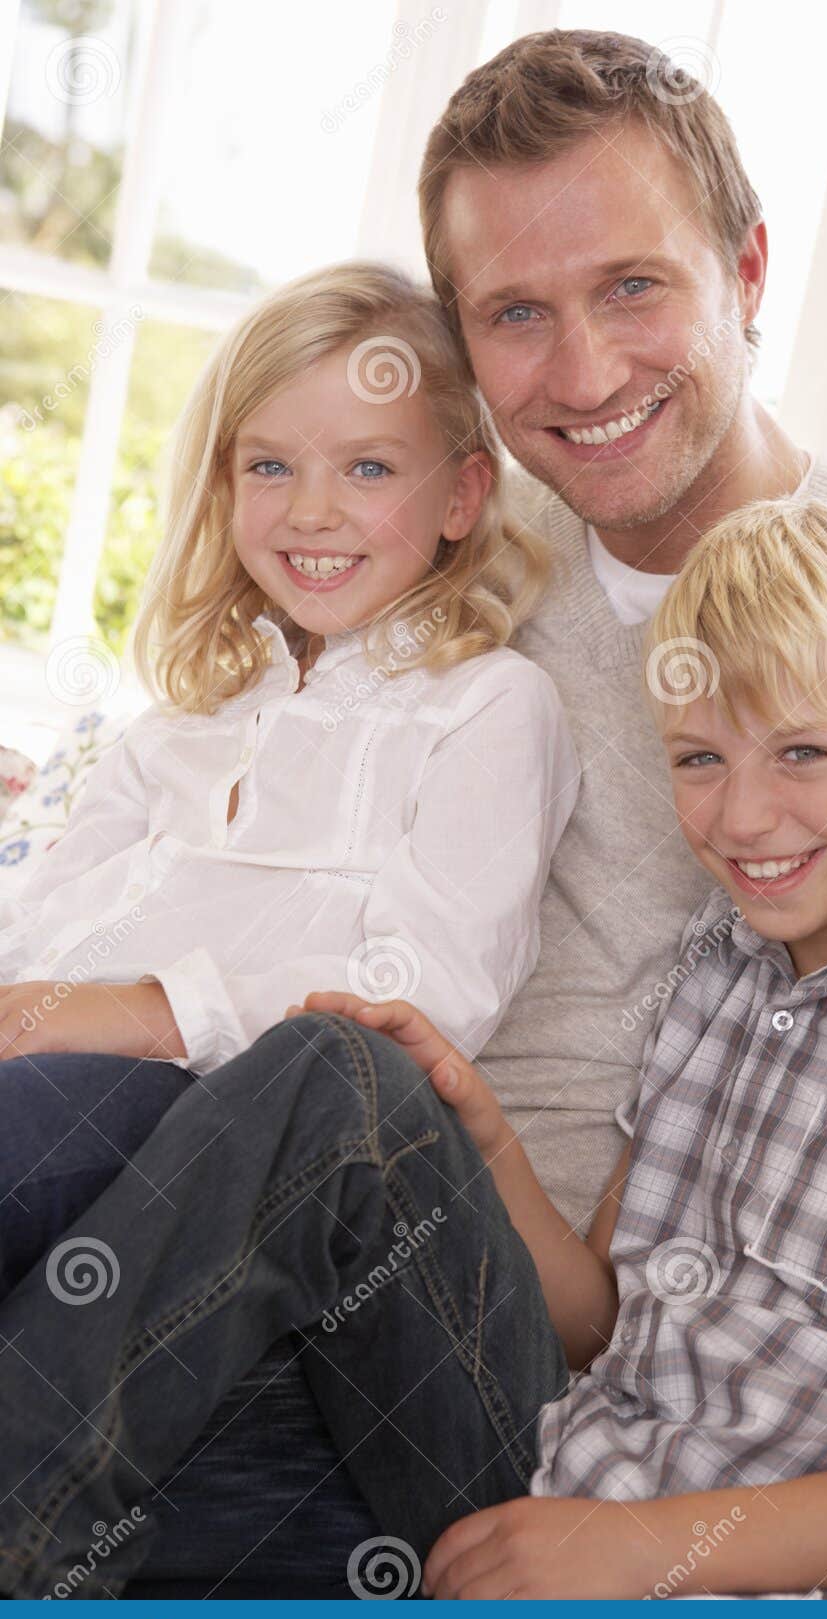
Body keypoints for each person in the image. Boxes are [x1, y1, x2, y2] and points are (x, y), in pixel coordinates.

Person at [5, 29, 827, 1594]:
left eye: (632, 286)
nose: (580, 376)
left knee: (325, 1074)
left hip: (525, 1391)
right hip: (278, 1279)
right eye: (514, 313)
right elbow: (235, 732)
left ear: (746, 270)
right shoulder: (446, 529)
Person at [2, 499, 827, 1601]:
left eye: (802, 753)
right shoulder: (721, 969)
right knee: (340, 1071)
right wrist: (483, 1144)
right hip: (540, 1478)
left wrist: (641, 1550)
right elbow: (602, 1320)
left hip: (726, 1593)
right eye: (698, 758)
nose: (743, 817)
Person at [0, 260, 579, 1295]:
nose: (312, 511)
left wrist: (140, 1011)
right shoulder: (185, 711)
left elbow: (424, 995)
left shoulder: (486, 705)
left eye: (367, 470)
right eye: (269, 466)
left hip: (208, 1114)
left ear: (460, 494)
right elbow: (46, 912)